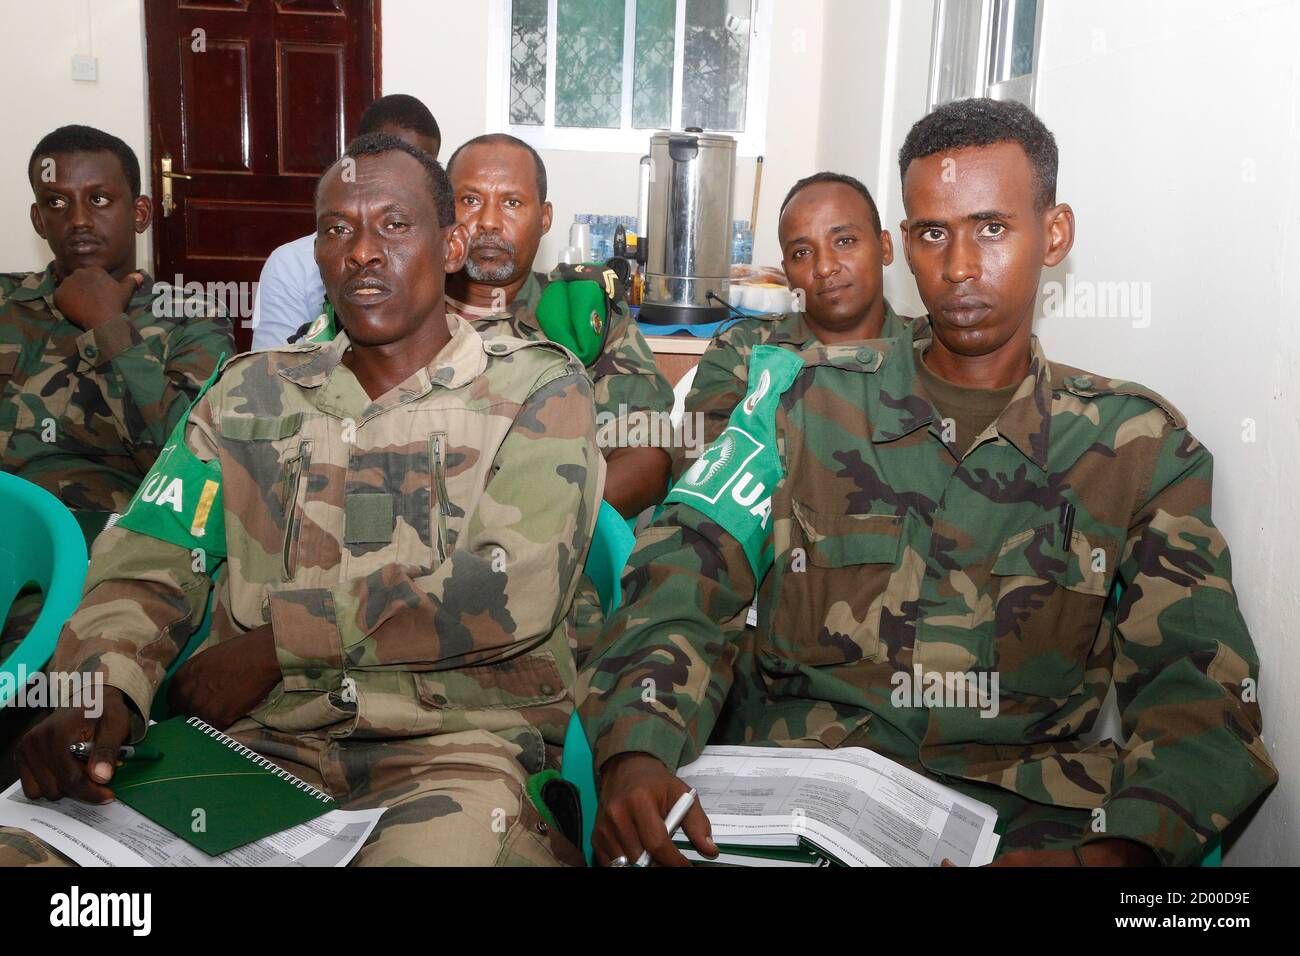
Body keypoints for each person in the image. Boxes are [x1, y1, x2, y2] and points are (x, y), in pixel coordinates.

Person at [576, 98, 1277, 868]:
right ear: (905, 245)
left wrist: (1121, 853)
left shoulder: (1137, 448)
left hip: (1019, 820)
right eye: (935, 234)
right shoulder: (797, 404)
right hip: (791, 793)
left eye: (992, 228)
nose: (961, 266)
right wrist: (636, 753)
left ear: (1055, 234)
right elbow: (681, 576)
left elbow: (1201, 688)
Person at [2, 132, 601, 867]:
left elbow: (503, 590)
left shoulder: (536, 392)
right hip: (255, 747)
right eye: (337, 229)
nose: (363, 251)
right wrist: (103, 689)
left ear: (450, 247)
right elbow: (150, 555)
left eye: (394, 224)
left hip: (450, 757)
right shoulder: (248, 394)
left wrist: (282, 643)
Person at [0, 125, 230, 669]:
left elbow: (181, 462)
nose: (79, 220)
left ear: (141, 212)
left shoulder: (189, 319)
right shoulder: (7, 303)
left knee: (39, 673)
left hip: (93, 554)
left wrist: (107, 325)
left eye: (100, 199)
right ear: (38, 220)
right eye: (57, 202)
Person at [445, 133, 674, 519]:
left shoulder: (581, 315)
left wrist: (547, 528)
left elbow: (645, 455)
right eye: (470, 200)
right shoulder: (404, 314)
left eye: (512, 202)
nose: (488, 222)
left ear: (545, 217)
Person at [674, 171, 916, 482]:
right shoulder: (743, 350)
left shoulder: (928, 349)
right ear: (787, 272)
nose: (825, 266)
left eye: (845, 241)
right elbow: (700, 467)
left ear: (884, 247)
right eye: (802, 253)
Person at [250, 94, 442, 350]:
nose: (364, 255)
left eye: (421, 166)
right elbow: (271, 367)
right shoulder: (291, 263)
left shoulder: (441, 251)